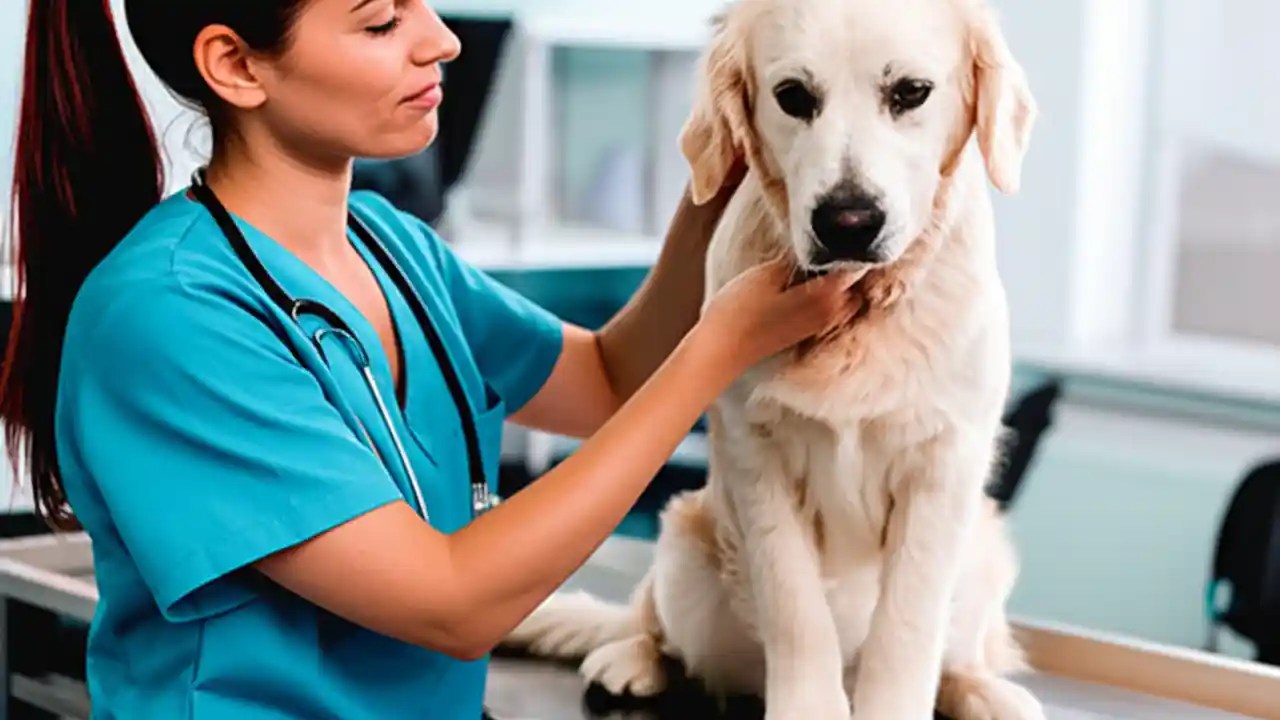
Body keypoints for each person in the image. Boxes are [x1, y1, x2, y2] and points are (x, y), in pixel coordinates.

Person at [0, 1, 861, 718]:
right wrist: (723, 345)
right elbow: (452, 603)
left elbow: (606, 380)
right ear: (236, 66)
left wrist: (712, 187)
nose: (441, 39)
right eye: (381, 23)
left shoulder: (391, 248)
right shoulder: (169, 315)